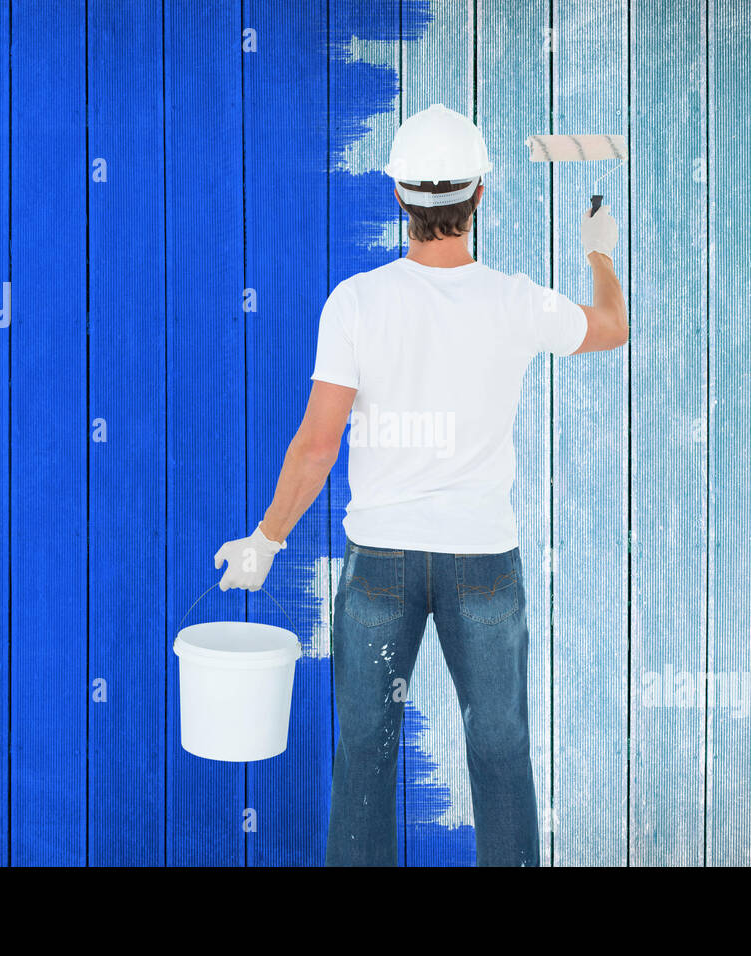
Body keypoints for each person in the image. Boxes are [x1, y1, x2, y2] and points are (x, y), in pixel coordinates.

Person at [213, 103, 628, 866]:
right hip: (483, 564)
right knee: (500, 751)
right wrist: (599, 252)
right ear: (480, 198)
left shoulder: (357, 302)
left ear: (399, 197)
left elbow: (317, 445)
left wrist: (266, 539)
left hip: (381, 566)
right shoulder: (516, 300)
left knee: (364, 754)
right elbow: (610, 328)